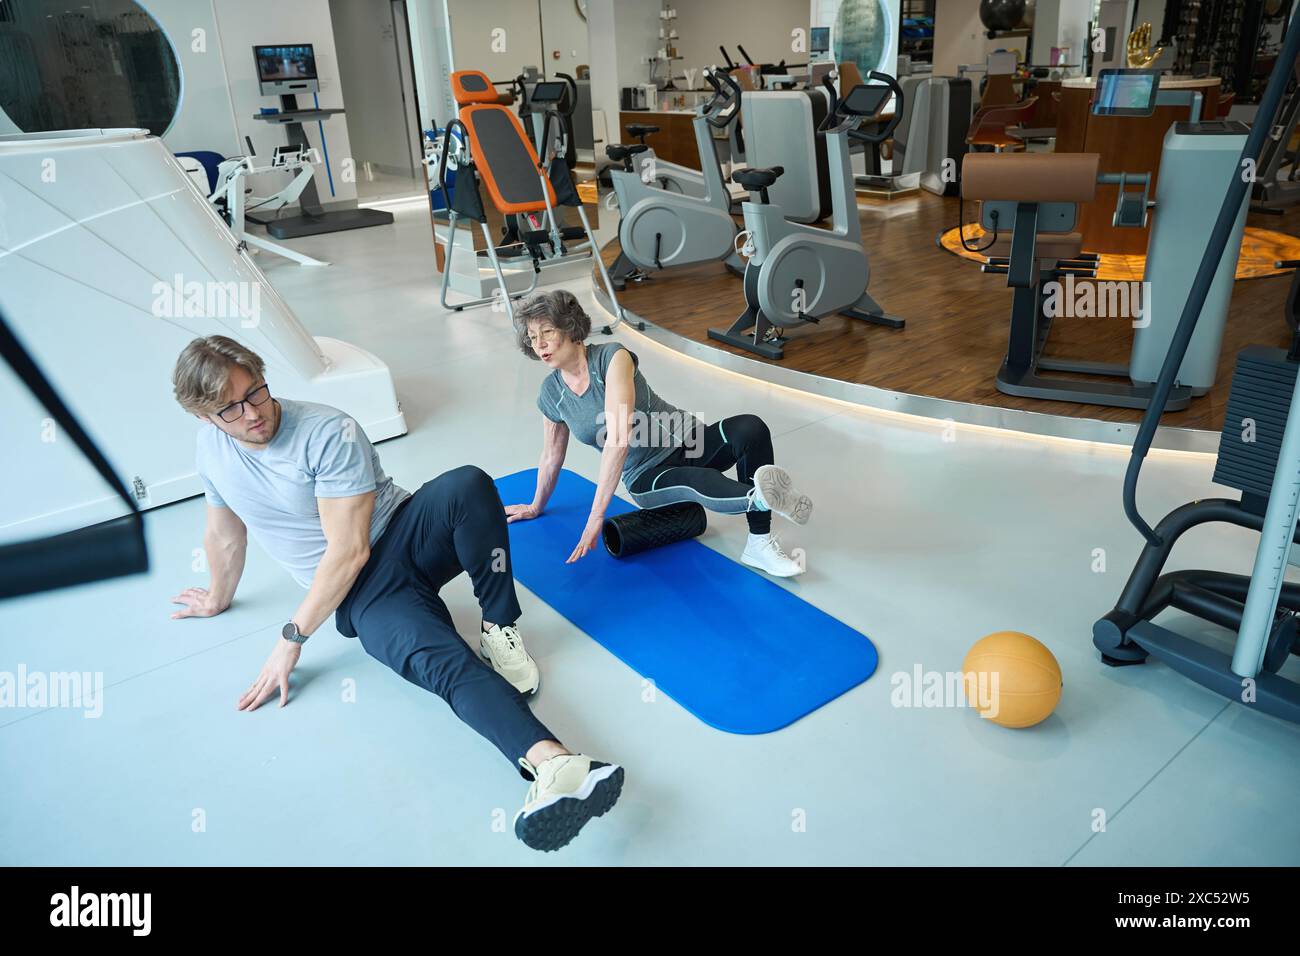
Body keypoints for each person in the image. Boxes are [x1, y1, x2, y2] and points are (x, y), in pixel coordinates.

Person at [167, 335, 622, 852]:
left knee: (468, 484)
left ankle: (499, 624)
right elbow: (226, 533)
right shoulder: (213, 451)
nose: (252, 412)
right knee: (448, 662)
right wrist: (216, 596)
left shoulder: (324, 430)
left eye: (257, 393)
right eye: (232, 408)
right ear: (205, 417)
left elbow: (349, 548)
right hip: (364, 594)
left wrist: (292, 637)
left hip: (401, 533)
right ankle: (559, 765)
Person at [505, 290, 813, 575]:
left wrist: (595, 516)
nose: (539, 344)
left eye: (547, 332)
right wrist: (535, 506)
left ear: (571, 328)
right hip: (647, 472)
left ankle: (759, 542)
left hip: (688, 439)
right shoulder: (551, 394)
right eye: (532, 337)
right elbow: (550, 458)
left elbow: (619, 435)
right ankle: (764, 498)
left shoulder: (612, 358)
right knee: (697, 480)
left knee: (751, 427)